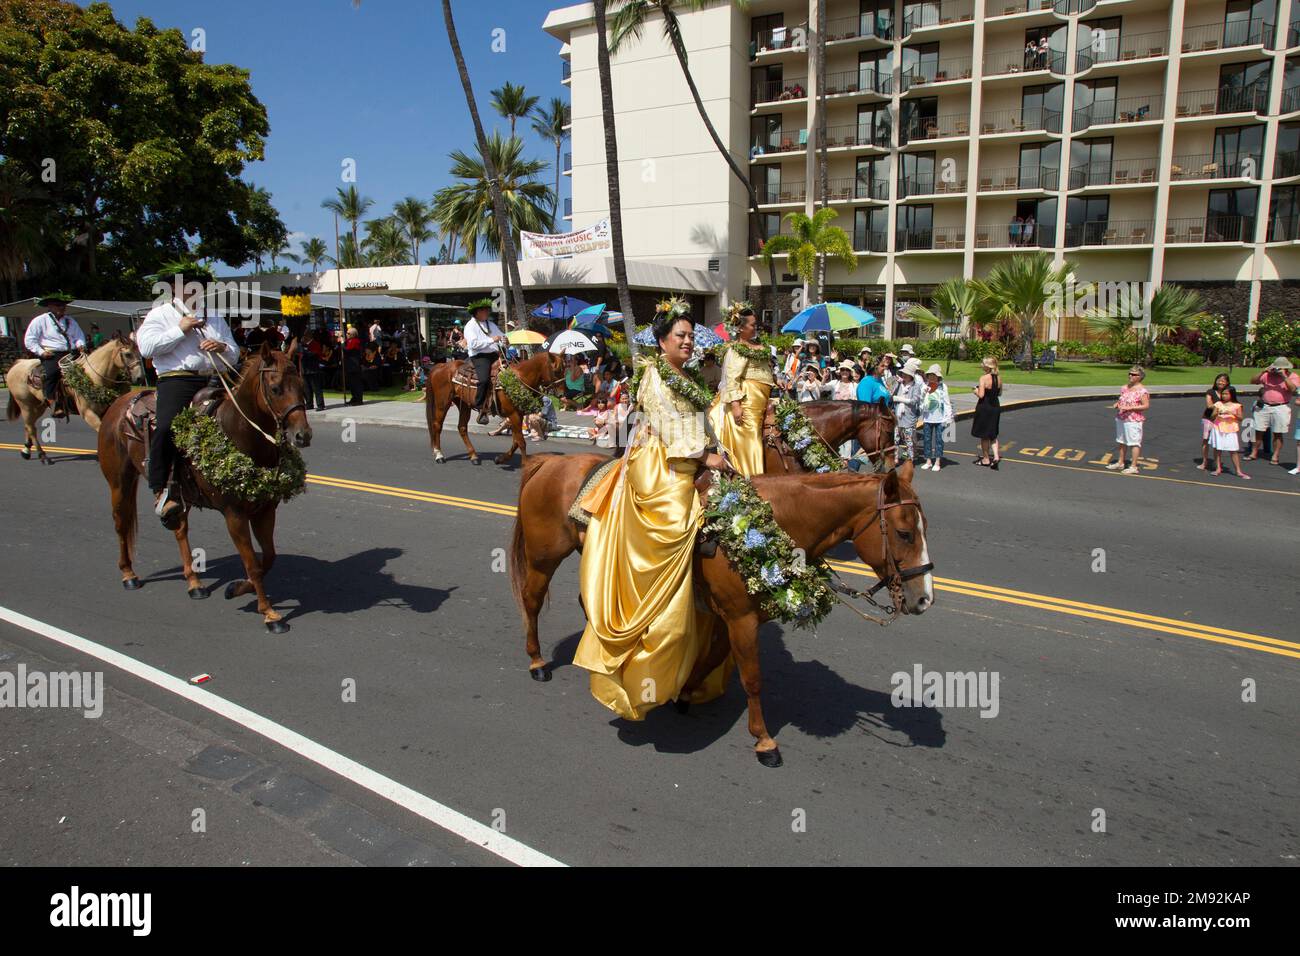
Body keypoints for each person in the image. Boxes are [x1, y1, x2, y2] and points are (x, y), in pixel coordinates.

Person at [572, 309, 733, 722]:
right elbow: (667, 427)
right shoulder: (654, 376)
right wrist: (705, 456)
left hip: (693, 458)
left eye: (691, 336)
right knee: (678, 521)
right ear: (661, 342)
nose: (688, 342)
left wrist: (719, 450)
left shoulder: (692, 378)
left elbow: (700, 422)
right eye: (680, 336)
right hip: (663, 465)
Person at [136, 264, 238, 528]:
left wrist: (223, 346)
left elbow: (235, 352)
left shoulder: (214, 316)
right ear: (174, 289)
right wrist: (180, 329)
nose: (193, 289)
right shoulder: (160, 314)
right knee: (168, 425)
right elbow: (147, 348)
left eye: (198, 285)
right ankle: (161, 488)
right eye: (186, 285)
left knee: (243, 416)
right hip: (177, 379)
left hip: (214, 376)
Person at [709, 307, 775, 476]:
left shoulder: (757, 346)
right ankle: (751, 478)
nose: (756, 327)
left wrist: (777, 380)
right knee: (751, 437)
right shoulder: (736, 349)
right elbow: (732, 378)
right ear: (740, 328)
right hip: (748, 399)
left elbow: (765, 370)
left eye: (756, 324)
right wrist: (736, 405)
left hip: (764, 397)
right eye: (752, 325)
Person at [24, 293, 86, 417]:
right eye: (59, 305)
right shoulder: (40, 320)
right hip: (52, 354)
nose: (62, 307)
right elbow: (30, 340)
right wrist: (41, 352)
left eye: (63, 305)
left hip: (72, 353)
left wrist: (81, 344)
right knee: (52, 373)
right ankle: (54, 402)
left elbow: (79, 335)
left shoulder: (70, 320)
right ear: (50, 306)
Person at [1249, 357, 1298, 466]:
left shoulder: (1292, 376)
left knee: (1278, 432)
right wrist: (1263, 371)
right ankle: (1254, 452)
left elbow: (1293, 389)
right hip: (1265, 406)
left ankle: (1275, 455)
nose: (1277, 370)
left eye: (1280, 368)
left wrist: (1284, 376)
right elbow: (1253, 381)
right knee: (1258, 430)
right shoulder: (1267, 375)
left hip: (1281, 406)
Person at [464, 299, 506, 424]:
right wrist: (491, 340)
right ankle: (480, 406)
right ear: (477, 312)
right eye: (484, 310)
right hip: (480, 356)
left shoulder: (490, 324)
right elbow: (473, 344)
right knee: (484, 380)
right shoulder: (470, 326)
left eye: (487, 310)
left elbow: (501, 335)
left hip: (494, 354)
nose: (487, 312)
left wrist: (505, 340)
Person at [1106, 365, 1149, 474]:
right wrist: (1117, 403)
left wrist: (1130, 408)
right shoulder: (1124, 387)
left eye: (1134, 374)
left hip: (1133, 420)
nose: (1130, 376)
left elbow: (1146, 406)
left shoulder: (1142, 391)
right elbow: (1122, 400)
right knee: (1121, 441)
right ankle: (1120, 462)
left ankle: (1134, 466)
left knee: (1134, 442)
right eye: (1129, 373)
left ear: (1140, 377)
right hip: (1121, 417)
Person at [1208, 387, 1249, 479]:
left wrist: (1231, 413)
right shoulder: (1218, 404)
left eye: (1226, 394)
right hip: (1218, 427)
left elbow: (1241, 418)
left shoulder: (1237, 405)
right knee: (1218, 449)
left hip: (1231, 429)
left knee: (1233, 450)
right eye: (1223, 394)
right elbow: (1212, 417)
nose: (1224, 396)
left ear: (1232, 394)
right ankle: (1218, 468)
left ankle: (1238, 471)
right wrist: (1217, 412)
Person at [1199, 373, 1237, 470]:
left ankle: (1217, 463)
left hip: (1221, 421)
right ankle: (1204, 461)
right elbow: (1209, 405)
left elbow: (1234, 405)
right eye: (1219, 380)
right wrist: (1221, 405)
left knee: (1217, 442)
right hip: (1209, 418)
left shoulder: (1228, 393)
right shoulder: (1211, 392)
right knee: (1206, 440)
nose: (1220, 382)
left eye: (1223, 380)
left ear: (1227, 382)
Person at [919, 364, 952, 471]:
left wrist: (948, 417)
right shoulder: (925, 386)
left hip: (940, 418)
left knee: (939, 440)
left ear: (938, 376)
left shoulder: (943, 387)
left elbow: (947, 403)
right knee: (927, 439)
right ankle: (928, 460)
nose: (932, 377)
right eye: (930, 375)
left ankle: (937, 461)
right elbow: (920, 402)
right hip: (928, 418)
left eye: (934, 375)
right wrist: (923, 396)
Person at [971, 355, 1002, 468]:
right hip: (995, 406)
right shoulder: (998, 377)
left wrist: (975, 390)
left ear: (987, 366)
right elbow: (999, 393)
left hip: (985, 407)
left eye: (983, 364)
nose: (981, 365)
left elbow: (981, 395)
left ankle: (985, 459)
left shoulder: (983, 378)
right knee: (993, 434)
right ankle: (996, 456)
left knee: (984, 435)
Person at [891, 357, 924, 462]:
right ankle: (895, 458)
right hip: (898, 416)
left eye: (906, 374)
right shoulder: (899, 384)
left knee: (908, 440)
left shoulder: (916, 386)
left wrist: (900, 399)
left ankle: (910, 460)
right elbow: (891, 393)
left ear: (911, 376)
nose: (904, 375)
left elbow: (914, 401)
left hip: (909, 416)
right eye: (903, 373)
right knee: (895, 439)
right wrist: (895, 382)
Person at [300, 329, 326, 411]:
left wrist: (305, 351)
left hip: (313, 369)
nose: (303, 337)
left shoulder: (315, 344)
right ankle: (309, 404)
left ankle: (320, 405)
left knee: (316, 388)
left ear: (308, 336)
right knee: (307, 388)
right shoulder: (303, 345)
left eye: (304, 336)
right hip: (305, 369)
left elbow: (315, 354)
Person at [343, 325, 365, 405]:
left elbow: (348, 350)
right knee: (352, 383)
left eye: (348, 333)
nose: (346, 334)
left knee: (356, 383)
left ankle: (359, 399)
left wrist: (342, 343)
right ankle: (354, 397)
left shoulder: (355, 341)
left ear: (352, 334)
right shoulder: (349, 341)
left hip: (354, 364)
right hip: (349, 364)